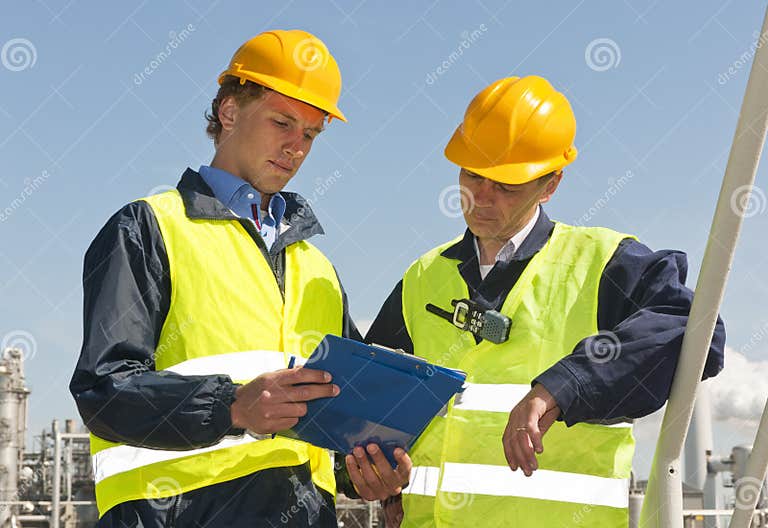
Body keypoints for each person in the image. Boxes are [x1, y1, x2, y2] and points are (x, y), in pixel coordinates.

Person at [70, 29, 410, 527]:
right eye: (282, 122)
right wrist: (231, 405)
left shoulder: (317, 268)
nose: (296, 147)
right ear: (229, 112)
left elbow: (335, 423)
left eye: (311, 135)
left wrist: (363, 471)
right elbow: (103, 391)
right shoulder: (149, 228)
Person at [366, 75, 725, 527]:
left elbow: (695, 327)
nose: (481, 197)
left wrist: (564, 385)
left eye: (506, 186)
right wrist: (366, 472)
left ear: (550, 184)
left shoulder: (603, 263)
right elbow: (369, 401)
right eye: (472, 175)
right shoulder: (423, 277)